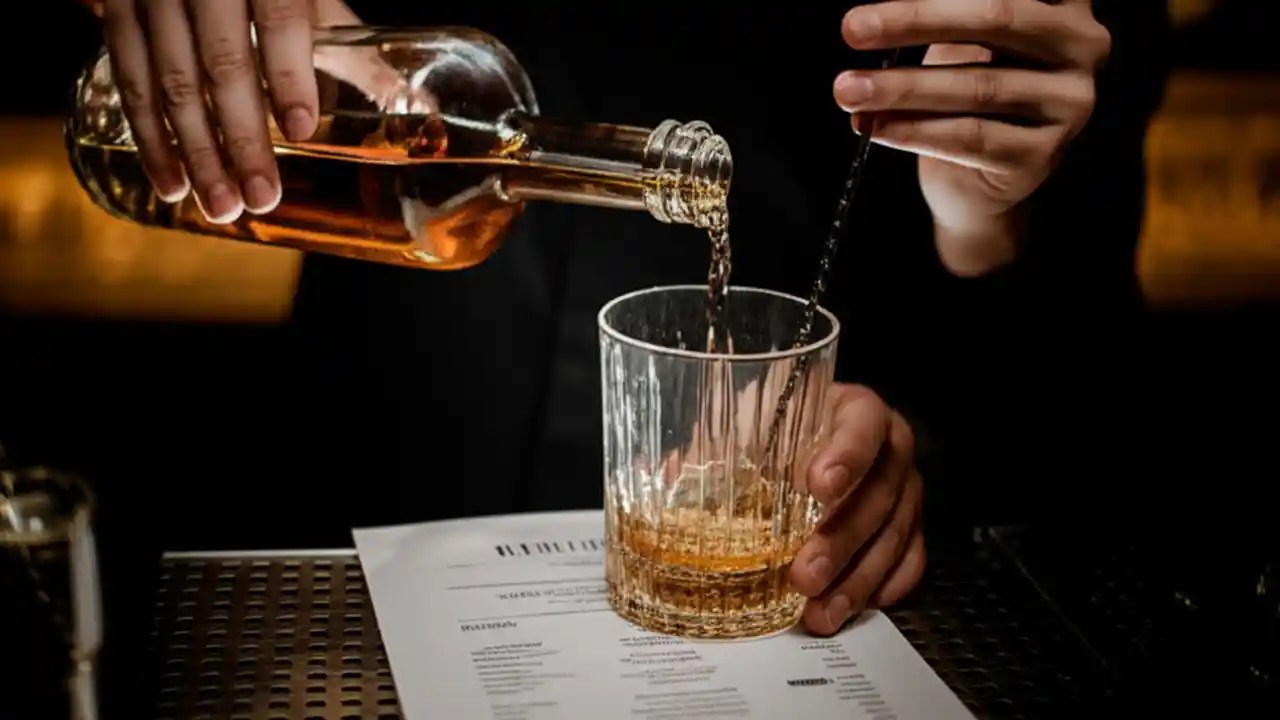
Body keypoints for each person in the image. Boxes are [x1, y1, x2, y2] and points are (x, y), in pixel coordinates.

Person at [89, 0, 1169, 638]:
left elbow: (1076, 356)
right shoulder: (474, 119)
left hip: (819, 598)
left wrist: (984, 242)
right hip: (359, 523)